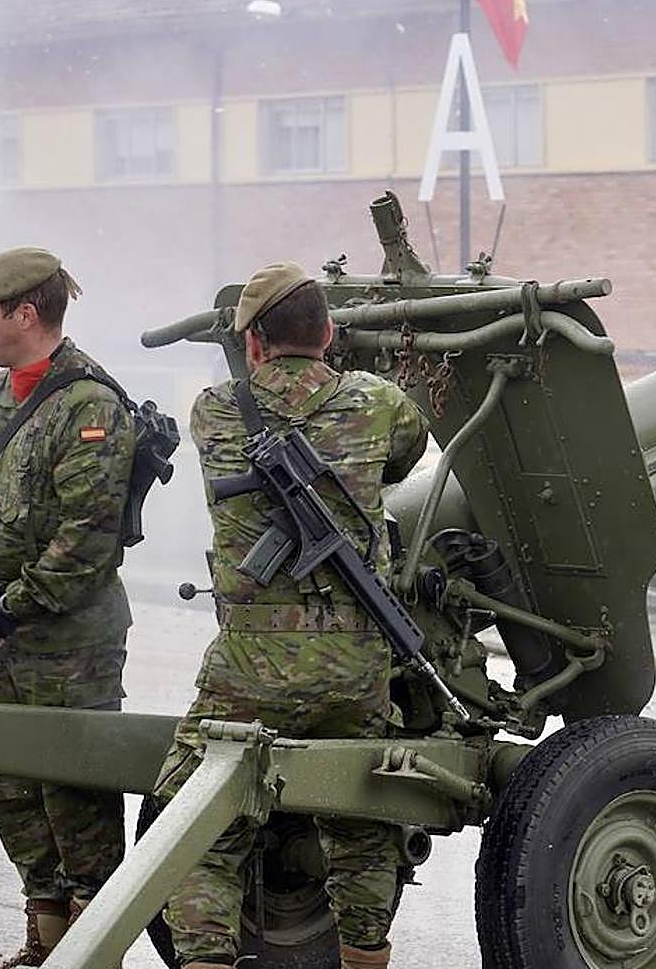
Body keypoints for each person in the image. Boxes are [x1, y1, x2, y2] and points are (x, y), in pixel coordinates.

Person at [153, 261, 428, 969]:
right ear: (330, 334)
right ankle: (364, 957)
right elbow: (403, 456)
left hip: (250, 671)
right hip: (356, 667)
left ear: (252, 345)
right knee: (363, 828)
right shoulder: (380, 403)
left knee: (199, 831)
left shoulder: (214, 410)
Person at [0, 246, 136, 968]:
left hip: (70, 644)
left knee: (77, 803)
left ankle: (90, 953)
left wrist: (8, 609)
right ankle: (46, 947)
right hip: (1, 645)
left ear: (26, 313)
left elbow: (88, 539)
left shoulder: (90, 403)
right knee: (14, 796)